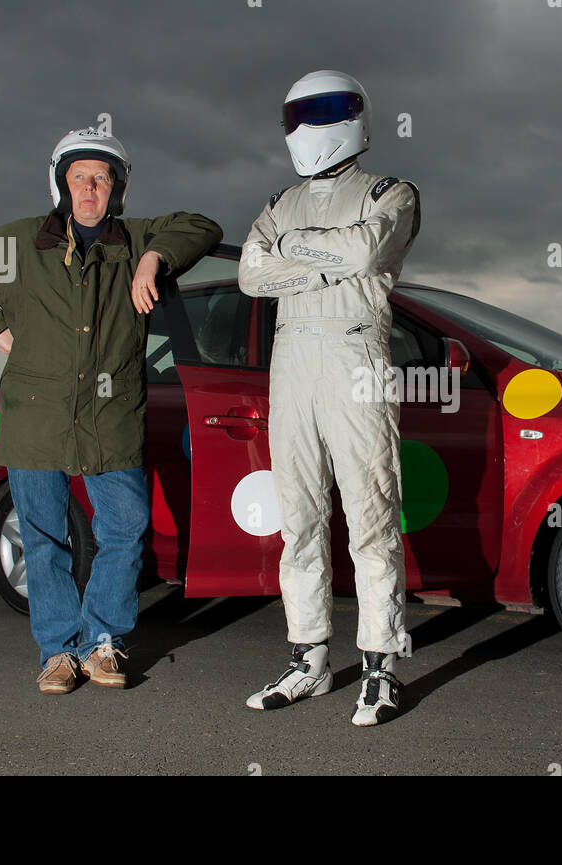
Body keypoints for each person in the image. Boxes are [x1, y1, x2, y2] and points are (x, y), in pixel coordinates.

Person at [0, 127, 222, 694]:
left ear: (117, 187)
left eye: (102, 177)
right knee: (43, 538)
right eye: (80, 176)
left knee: (126, 528)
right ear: (60, 182)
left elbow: (203, 227)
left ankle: (102, 641)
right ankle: (58, 652)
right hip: (35, 416)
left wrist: (154, 259)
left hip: (110, 417)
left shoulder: (137, 239)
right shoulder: (18, 245)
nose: (90, 188)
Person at [237, 70, 421, 726]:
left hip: (356, 364)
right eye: (302, 112)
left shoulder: (391, 192)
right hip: (291, 370)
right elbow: (249, 274)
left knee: (372, 518)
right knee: (301, 524)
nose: (313, 124)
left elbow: (370, 248)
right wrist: (324, 257)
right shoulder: (281, 201)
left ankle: (380, 664)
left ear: (358, 117)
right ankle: (308, 658)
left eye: (327, 109)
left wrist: (289, 253)